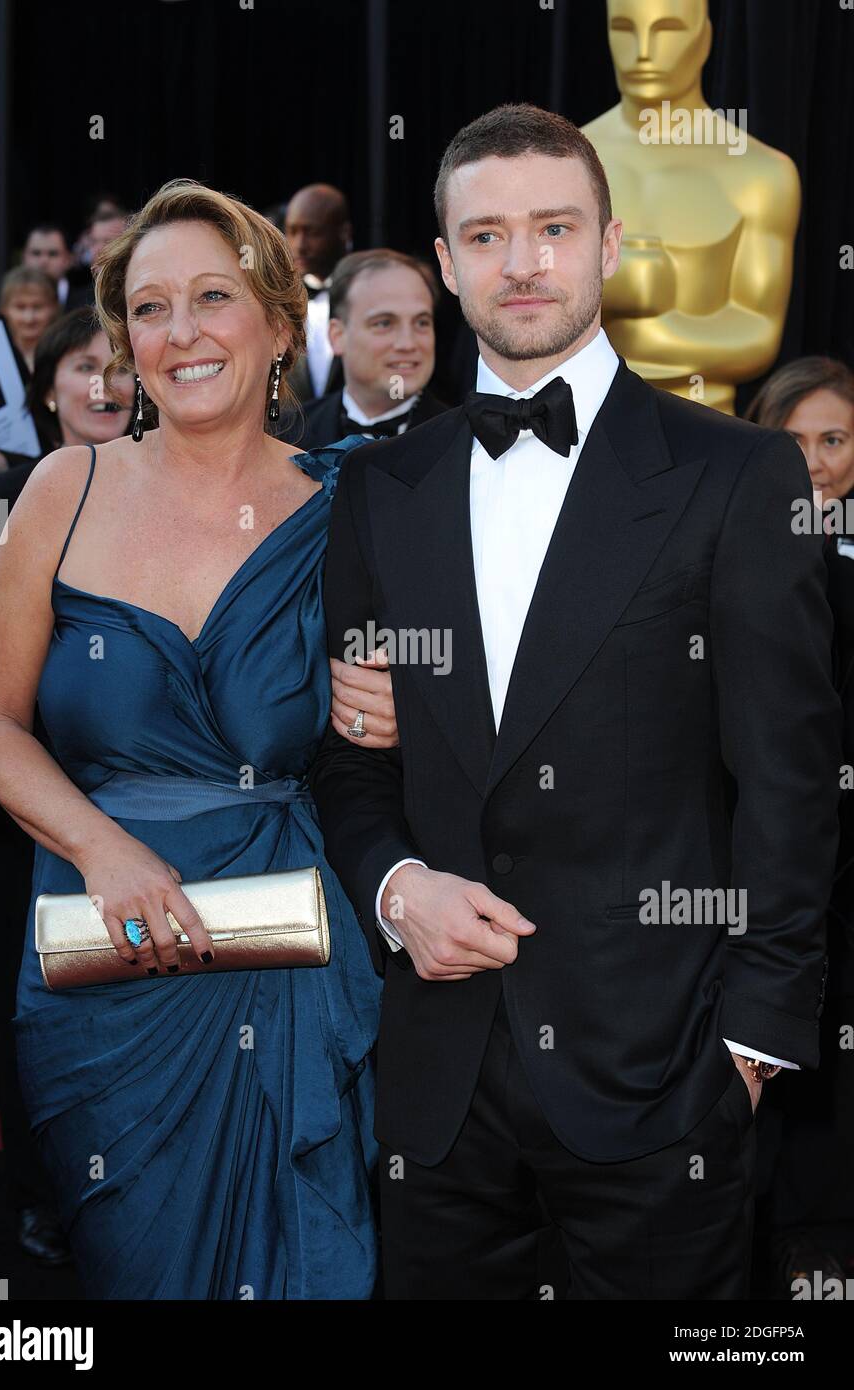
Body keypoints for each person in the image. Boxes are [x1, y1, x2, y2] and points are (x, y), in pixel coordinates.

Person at [309, 103, 842, 1300]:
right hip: (438, 1083)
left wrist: (751, 1047)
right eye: (486, 235)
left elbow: (792, 782)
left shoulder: (735, 474)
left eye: (554, 227)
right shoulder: (381, 490)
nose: (523, 261)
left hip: (665, 1075)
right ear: (446, 266)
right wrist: (398, 891)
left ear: (609, 245)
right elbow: (350, 761)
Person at [0, 177, 398, 1300]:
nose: (181, 332)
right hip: (108, 974)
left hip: (292, 957)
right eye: (148, 310)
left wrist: (399, 702)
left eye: (212, 296)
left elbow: (410, 712)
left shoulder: (351, 508)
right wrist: (105, 846)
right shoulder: (65, 487)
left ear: (278, 323)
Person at [0, 307, 135, 1266]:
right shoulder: (0, 498)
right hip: (18, 812)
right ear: (48, 385)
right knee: (32, 1008)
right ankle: (40, 1196)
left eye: (118, 369)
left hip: (142, 800)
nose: (102, 388)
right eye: (80, 369)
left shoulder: (170, 495)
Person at [746, 357, 854, 1292]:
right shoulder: (728, 562)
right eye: (795, 442)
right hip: (761, 870)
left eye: (835, 441)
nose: (816, 464)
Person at [279, 248, 448, 450]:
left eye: (421, 323)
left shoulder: (466, 442)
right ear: (337, 336)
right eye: (384, 323)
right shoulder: (286, 435)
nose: (407, 343)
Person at [284, 183, 352, 402]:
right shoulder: (276, 301)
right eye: (292, 232)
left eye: (312, 232)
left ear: (344, 233)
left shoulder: (368, 295)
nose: (299, 245)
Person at [0, 266, 60, 373]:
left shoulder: (67, 352)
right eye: (20, 307)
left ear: (54, 308)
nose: (29, 318)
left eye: (37, 307)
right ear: (4, 310)